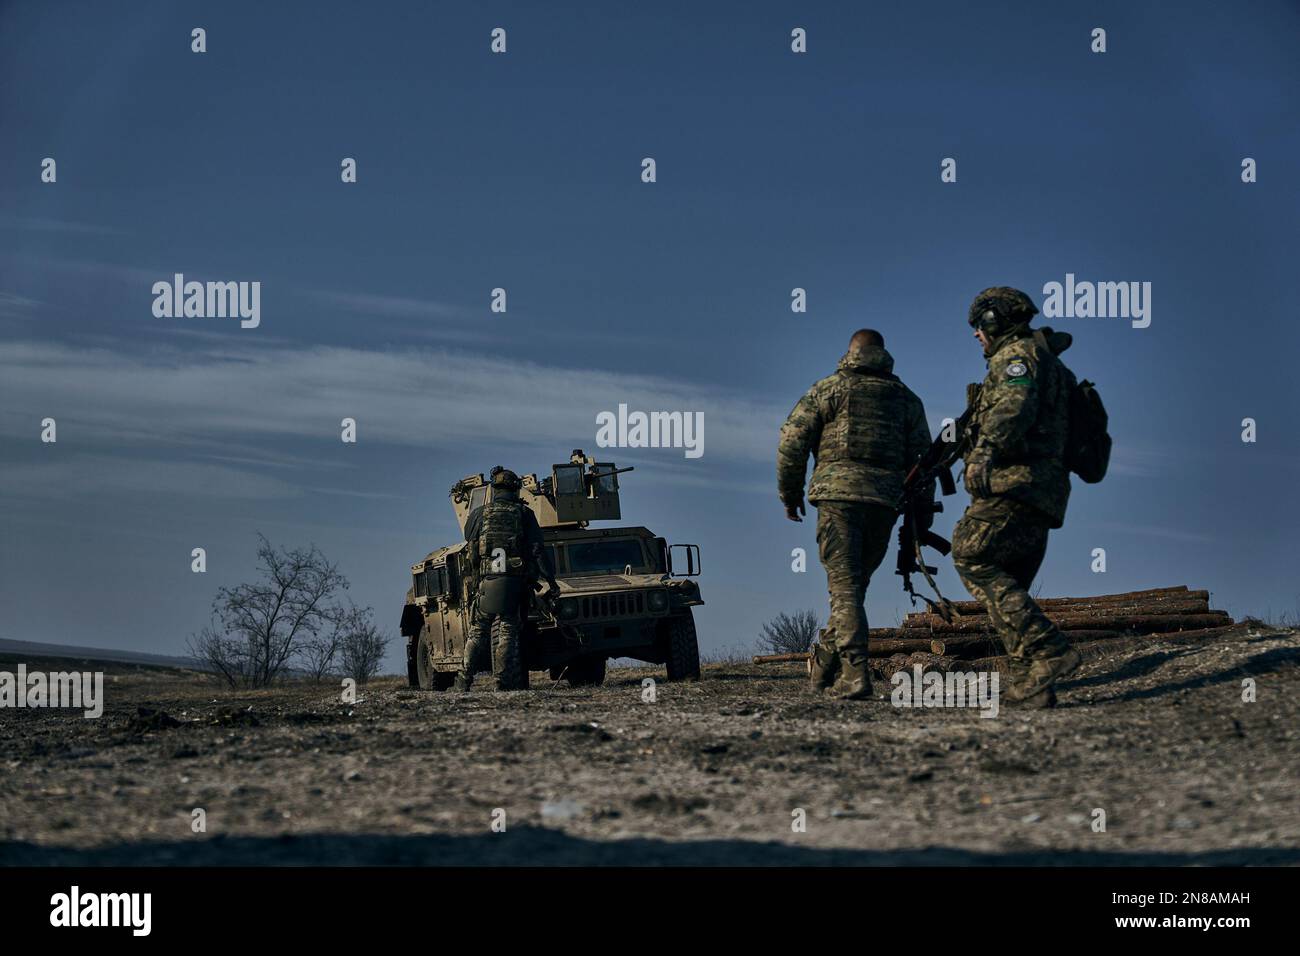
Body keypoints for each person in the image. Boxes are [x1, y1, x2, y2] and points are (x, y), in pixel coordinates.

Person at [777, 329, 932, 699]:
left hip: (838, 500)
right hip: (884, 505)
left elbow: (791, 442)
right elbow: (925, 461)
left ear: (850, 353)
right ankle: (826, 668)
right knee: (853, 589)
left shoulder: (826, 390)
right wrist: (921, 515)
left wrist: (790, 494)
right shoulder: (906, 399)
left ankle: (856, 673)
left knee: (845, 589)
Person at [952, 287, 1083, 708]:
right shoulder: (1052, 363)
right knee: (1011, 586)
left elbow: (1014, 406)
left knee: (971, 555)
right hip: (1045, 493)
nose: (975, 334)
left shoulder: (1017, 357)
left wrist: (985, 452)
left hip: (1014, 484)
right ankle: (1032, 683)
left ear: (995, 321)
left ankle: (1049, 650)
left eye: (979, 325)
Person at [456, 466, 557, 692]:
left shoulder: (479, 514)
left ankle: (463, 681)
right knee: (507, 631)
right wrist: (551, 581)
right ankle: (502, 682)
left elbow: (468, 540)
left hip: (485, 583)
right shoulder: (524, 514)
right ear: (515, 490)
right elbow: (538, 550)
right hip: (512, 585)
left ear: (494, 488)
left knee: (477, 632)